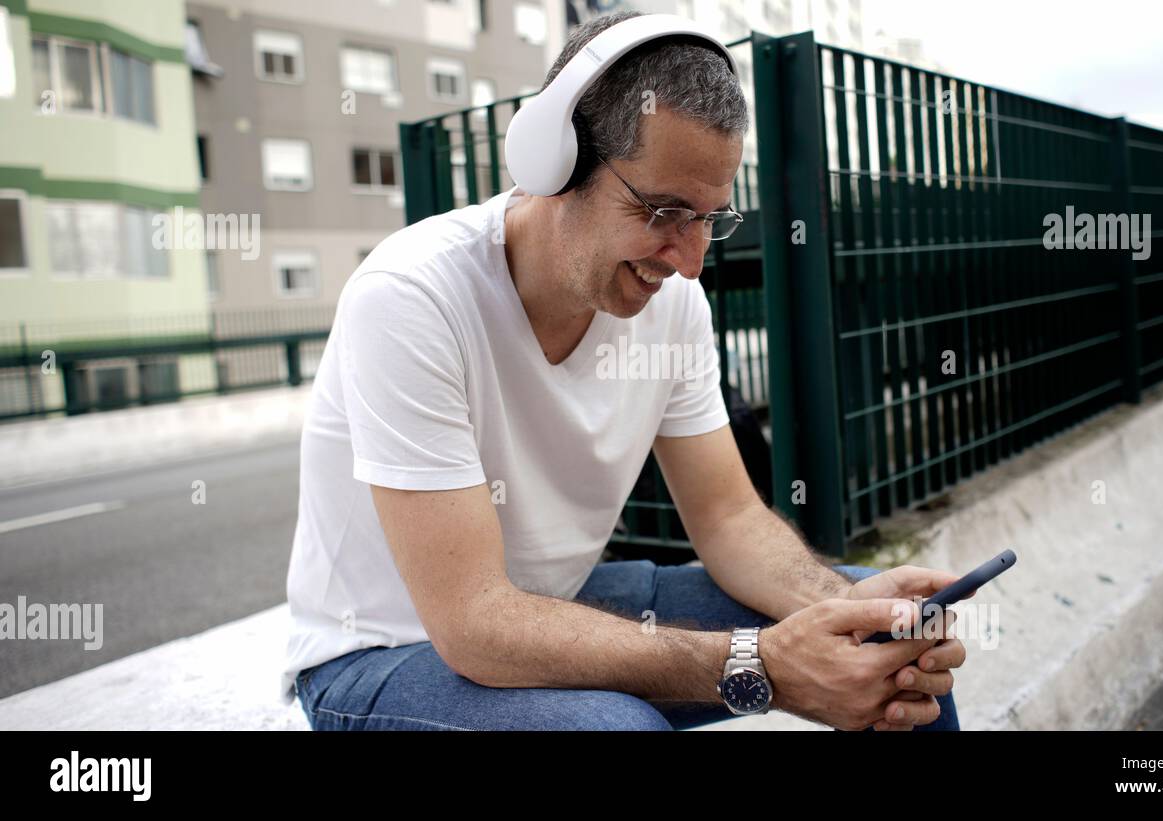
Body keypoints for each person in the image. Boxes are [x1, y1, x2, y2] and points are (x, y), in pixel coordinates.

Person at [282, 10, 966, 731]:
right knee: (613, 729)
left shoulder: (673, 303)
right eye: (665, 209)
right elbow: (473, 621)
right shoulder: (411, 296)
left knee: (893, 645)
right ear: (555, 159)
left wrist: (841, 605)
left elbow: (730, 517)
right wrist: (757, 664)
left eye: (709, 219)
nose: (690, 259)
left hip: (556, 600)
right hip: (382, 655)